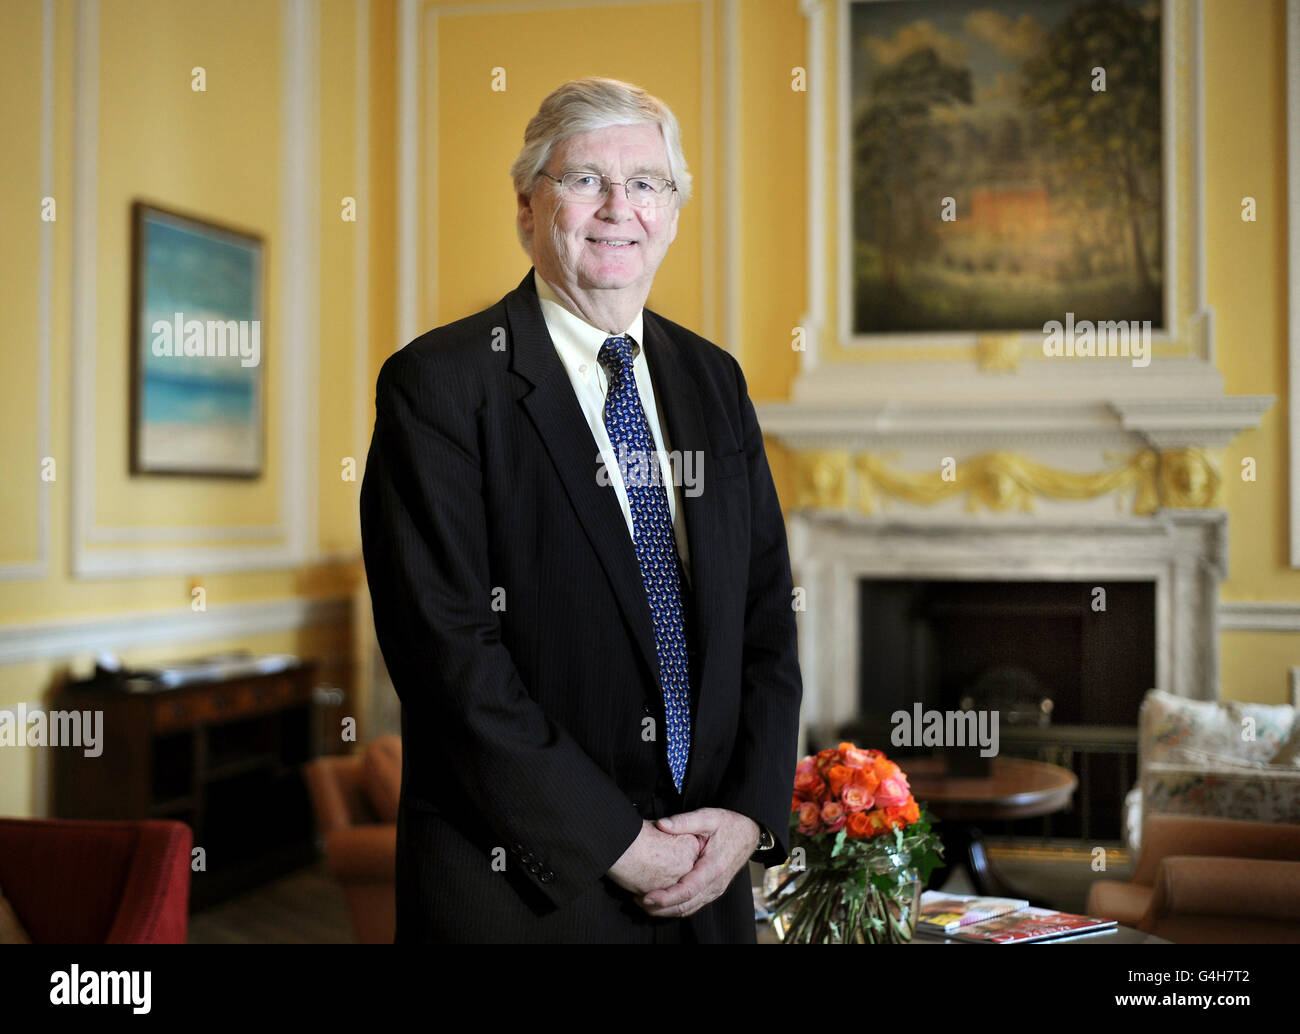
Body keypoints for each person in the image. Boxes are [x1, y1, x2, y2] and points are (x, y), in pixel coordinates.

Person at [360, 76, 802, 943]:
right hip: (525, 891)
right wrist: (617, 843)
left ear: (673, 213)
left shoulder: (715, 380)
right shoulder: (441, 385)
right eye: (584, 180)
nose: (618, 208)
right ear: (528, 206)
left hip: (707, 883)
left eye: (646, 184)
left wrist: (748, 819)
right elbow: (449, 659)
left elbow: (767, 617)